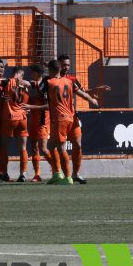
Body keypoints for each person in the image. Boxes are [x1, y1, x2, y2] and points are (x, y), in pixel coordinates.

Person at [56, 54, 109, 185]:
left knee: (78, 145)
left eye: (68, 65)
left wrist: (94, 90)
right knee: (58, 147)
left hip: (73, 116)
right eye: (64, 65)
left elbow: (83, 91)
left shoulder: (72, 79)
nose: (66, 67)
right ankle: (60, 173)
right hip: (58, 118)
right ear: (58, 64)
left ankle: (75, 174)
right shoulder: (52, 80)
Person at [0, 67, 30, 182]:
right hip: (22, 117)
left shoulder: (7, 82)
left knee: (3, 147)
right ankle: (23, 174)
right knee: (23, 147)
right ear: (22, 75)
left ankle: (4, 173)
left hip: (10, 117)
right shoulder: (26, 85)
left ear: (13, 73)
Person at [24, 64, 52, 182]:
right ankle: (37, 174)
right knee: (34, 148)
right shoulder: (31, 86)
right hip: (33, 121)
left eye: (33, 72)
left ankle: (58, 169)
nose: (31, 75)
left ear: (38, 74)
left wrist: (31, 106)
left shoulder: (45, 86)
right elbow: (31, 100)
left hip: (43, 121)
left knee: (44, 149)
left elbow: (48, 106)